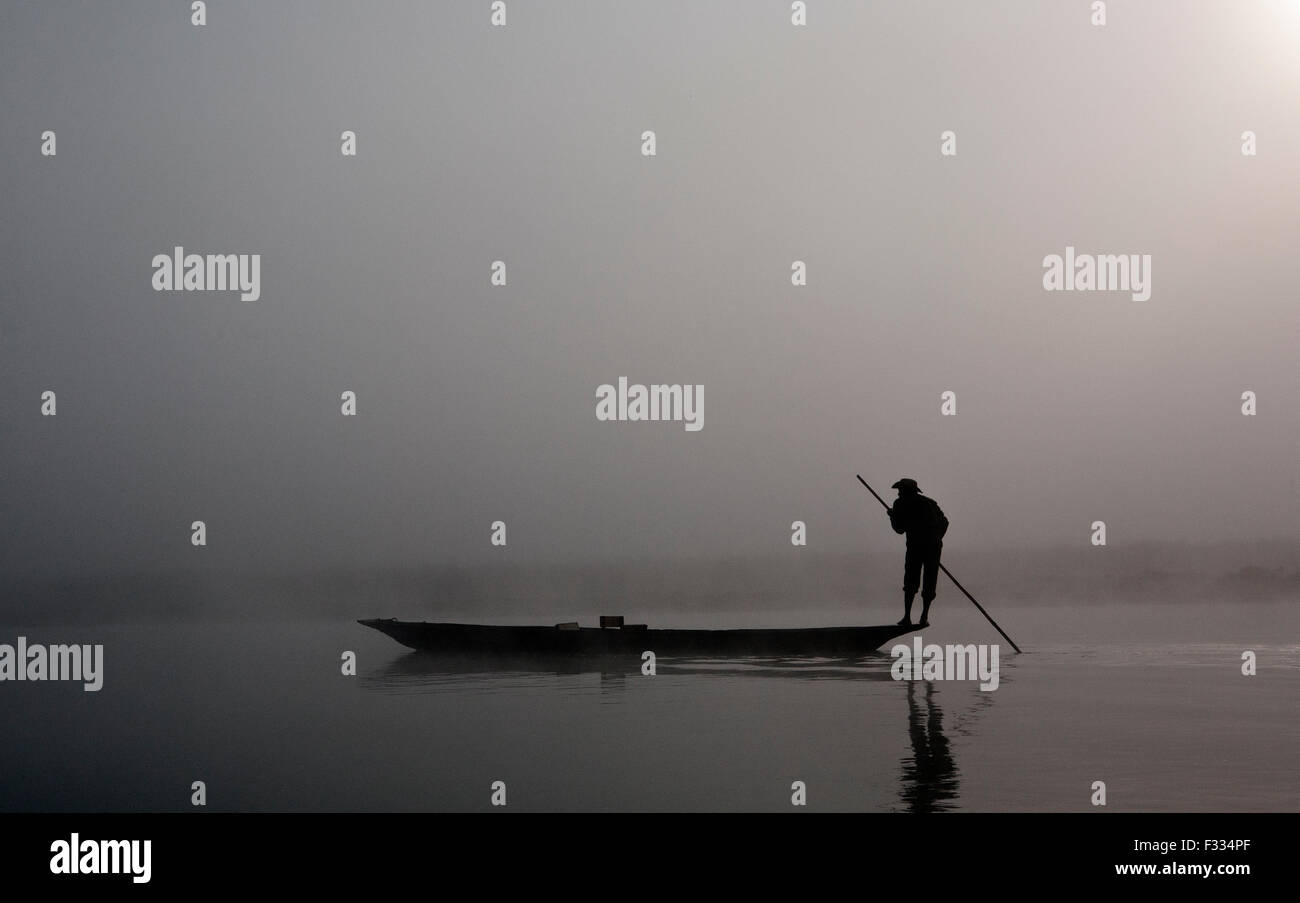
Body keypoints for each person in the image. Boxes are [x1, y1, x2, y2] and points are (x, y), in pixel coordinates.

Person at [887, 478, 948, 627]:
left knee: (911, 581)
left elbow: (899, 529)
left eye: (901, 490)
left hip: (916, 547)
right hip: (932, 547)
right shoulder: (930, 503)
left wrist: (892, 516)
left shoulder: (900, 504)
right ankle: (923, 616)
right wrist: (936, 539)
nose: (898, 493)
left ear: (907, 491)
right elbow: (945, 522)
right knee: (929, 581)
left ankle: (908, 617)